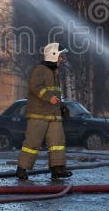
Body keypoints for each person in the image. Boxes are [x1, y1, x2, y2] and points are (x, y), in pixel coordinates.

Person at [15, 42, 72, 180]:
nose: (61, 59)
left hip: (54, 115)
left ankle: (57, 169)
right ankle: (22, 169)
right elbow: (35, 86)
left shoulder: (54, 73)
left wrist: (62, 106)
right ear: (53, 56)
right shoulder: (40, 70)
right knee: (32, 143)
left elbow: (55, 95)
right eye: (60, 56)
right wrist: (48, 97)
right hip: (38, 114)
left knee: (57, 142)